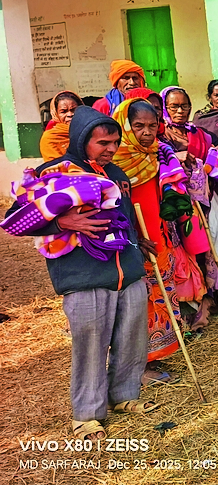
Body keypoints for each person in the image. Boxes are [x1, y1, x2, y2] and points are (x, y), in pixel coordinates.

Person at [3, 105, 152, 440]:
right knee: (91, 345)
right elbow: (16, 219)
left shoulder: (117, 174)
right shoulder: (53, 173)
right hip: (83, 275)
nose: (112, 149)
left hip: (126, 270)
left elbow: (125, 215)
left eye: (115, 142)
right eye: (103, 143)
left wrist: (139, 243)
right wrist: (61, 221)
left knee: (132, 338)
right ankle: (87, 415)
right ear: (82, 139)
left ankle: (125, 396)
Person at [112, 98, 192, 386]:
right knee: (138, 304)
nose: (147, 132)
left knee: (160, 299)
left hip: (157, 234)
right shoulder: (114, 161)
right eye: (138, 126)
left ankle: (155, 355)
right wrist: (133, 237)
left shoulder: (158, 153)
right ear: (125, 126)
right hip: (133, 241)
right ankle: (138, 365)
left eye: (152, 125)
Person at [160, 86, 218, 331]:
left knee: (215, 245)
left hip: (207, 197)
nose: (180, 111)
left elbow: (215, 162)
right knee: (192, 250)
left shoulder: (200, 134)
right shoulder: (162, 138)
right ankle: (193, 307)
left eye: (184, 106)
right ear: (165, 108)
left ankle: (213, 299)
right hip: (181, 201)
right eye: (174, 106)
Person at [40, 91, 83, 162]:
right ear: (55, 113)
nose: (70, 114)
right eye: (63, 111)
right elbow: (54, 165)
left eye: (74, 110)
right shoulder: (50, 138)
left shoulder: (90, 131)